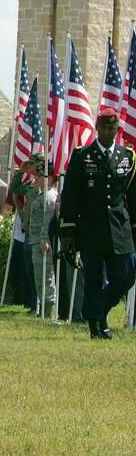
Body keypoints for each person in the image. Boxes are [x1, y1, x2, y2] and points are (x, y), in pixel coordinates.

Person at [59, 109, 136, 339]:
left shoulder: (127, 156)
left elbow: (132, 196)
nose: (110, 133)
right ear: (97, 128)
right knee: (93, 279)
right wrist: (68, 232)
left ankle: (97, 311)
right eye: (105, 128)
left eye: (114, 129)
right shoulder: (82, 156)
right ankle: (97, 327)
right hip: (91, 229)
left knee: (126, 276)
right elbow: (71, 196)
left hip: (119, 229)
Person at [14, 154, 57, 318]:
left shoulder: (49, 197)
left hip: (41, 242)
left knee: (45, 277)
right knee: (38, 277)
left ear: (49, 177)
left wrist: (45, 238)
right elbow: (15, 189)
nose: (37, 179)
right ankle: (41, 308)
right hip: (34, 239)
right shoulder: (41, 195)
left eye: (40, 176)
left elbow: (47, 220)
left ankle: (47, 310)